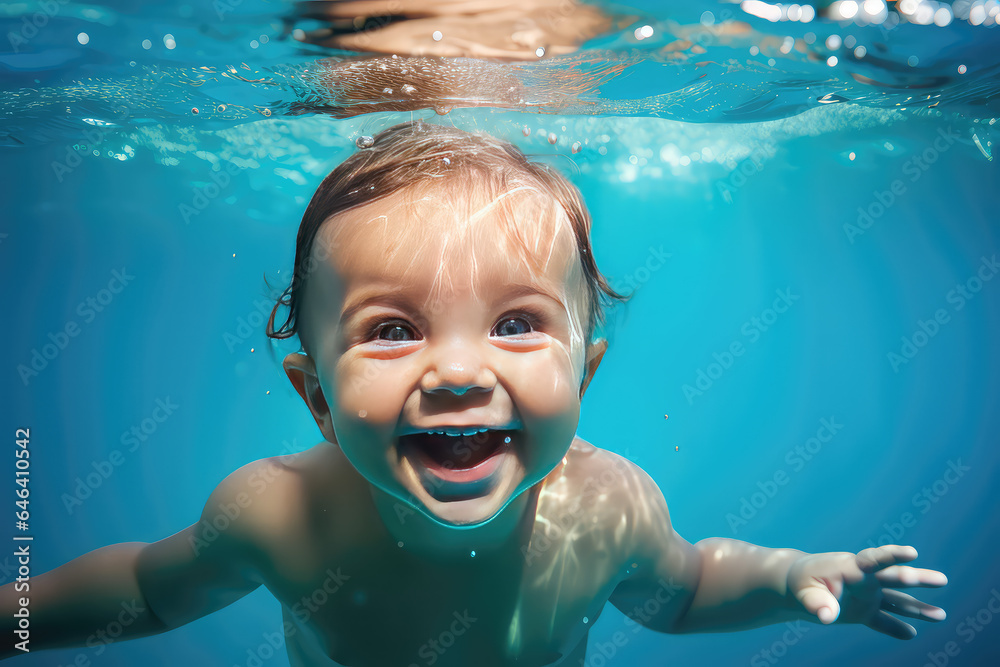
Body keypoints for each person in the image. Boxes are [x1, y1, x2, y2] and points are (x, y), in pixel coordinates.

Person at [0, 121, 947, 666]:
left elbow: (687, 588)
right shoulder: (280, 515)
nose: (457, 371)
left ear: (586, 370)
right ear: (316, 397)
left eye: (516, 323)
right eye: (393, 330)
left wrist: (791, 579)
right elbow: (145, 591)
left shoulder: (610, 506)